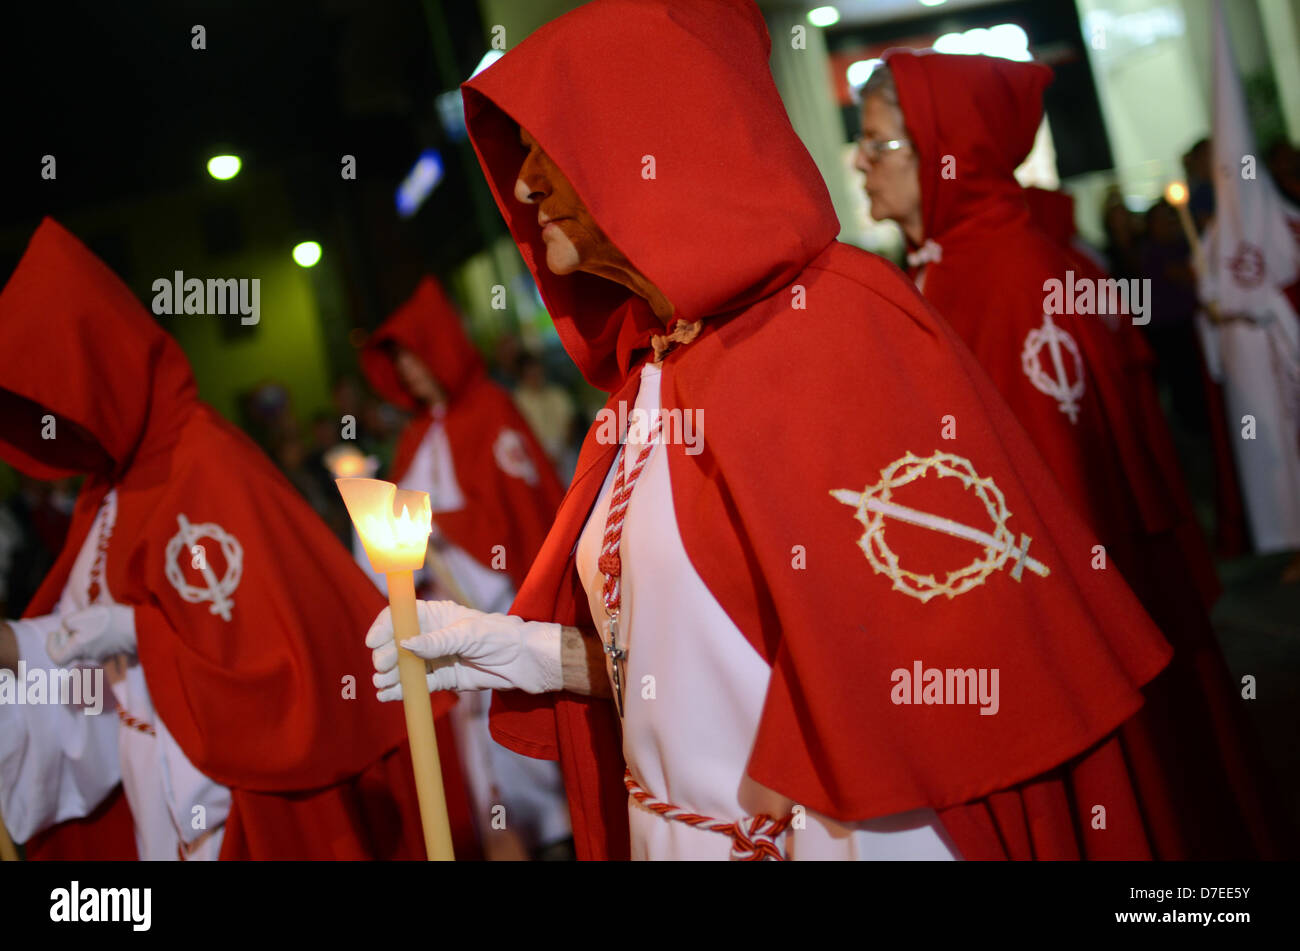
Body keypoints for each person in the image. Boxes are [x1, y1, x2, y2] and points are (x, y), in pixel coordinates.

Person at [365, 0, 1181, 861]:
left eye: (546, 145)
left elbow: (914, 730)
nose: (524, 183)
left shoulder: (829, 327)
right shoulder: (657, 372)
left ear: (641, 141)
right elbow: (698, 661)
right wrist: (522, 651)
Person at [856, 49, 1290, 858]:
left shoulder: (1013, 278)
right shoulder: (948, 268)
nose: (859, 162)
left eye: (879, 144)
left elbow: (1054, 507)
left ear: (954, 155)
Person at [0, 218, 477, 860]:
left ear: (96, 368)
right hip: (153, 792)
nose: (54, 425)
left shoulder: (203, 462)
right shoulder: (104, 497)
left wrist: (135, 633)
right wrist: (15, 648)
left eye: (55, 400)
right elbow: (80, 656)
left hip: (227, 802)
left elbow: (278, 671)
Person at [359, 276, 573, 859]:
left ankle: (553, 836)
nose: (411, 376)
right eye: (402, 367)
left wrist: (434, 524)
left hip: (497, 602)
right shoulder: (414, 436)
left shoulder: (490, 410)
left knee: (519, 745)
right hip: (436, 614)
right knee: (472, 749)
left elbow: (520, 514)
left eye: (418, 360)